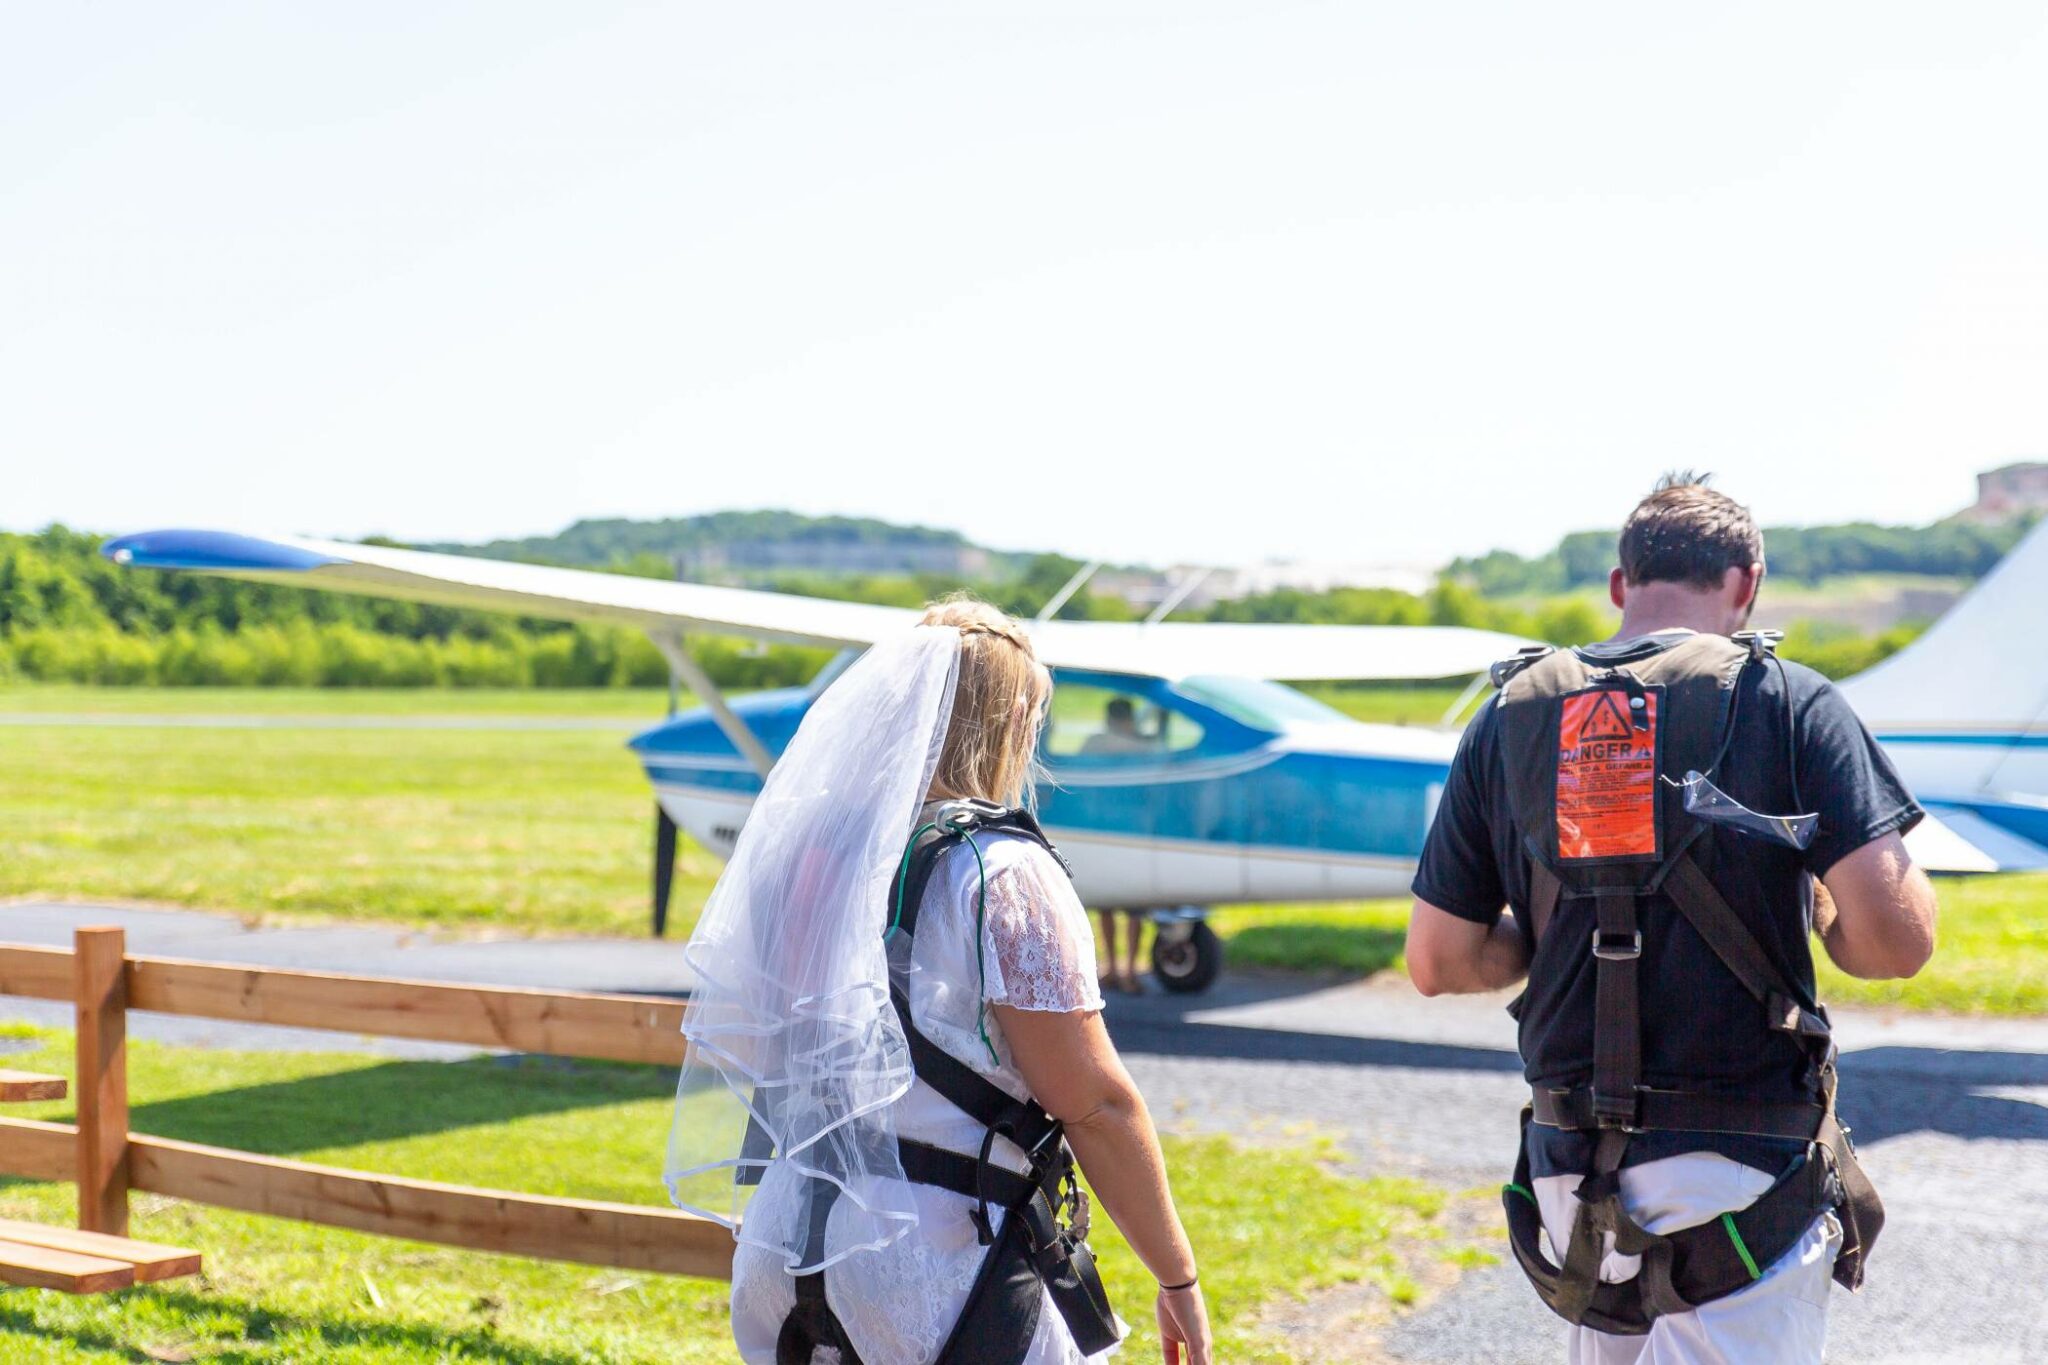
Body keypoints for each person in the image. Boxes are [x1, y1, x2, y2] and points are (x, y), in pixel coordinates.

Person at [1404, 474, 1938, 1364]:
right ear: (1747, 583)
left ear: (1621, 584)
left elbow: (1438, 958)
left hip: (1570, 1171)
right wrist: (1823, 909)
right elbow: (1894, 942)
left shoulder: (1513, 712)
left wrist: (1549, 928)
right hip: (1736, 1166)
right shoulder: (1786, 698)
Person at [667, 597, 1212, 1365]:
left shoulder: (805, 857)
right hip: (933, 1257)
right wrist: (1177, 1274)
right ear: (1013, 719)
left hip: (785, 1236)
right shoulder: (1003, 872)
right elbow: (1095, 1102)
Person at [1081, 698, 1161, 992]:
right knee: (1129, 906)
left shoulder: (1095, 742)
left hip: (1108, 829)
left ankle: (1116, 967)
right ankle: (1124, 969)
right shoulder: (1141, 745)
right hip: (1131, 830)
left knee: (1112, 904)